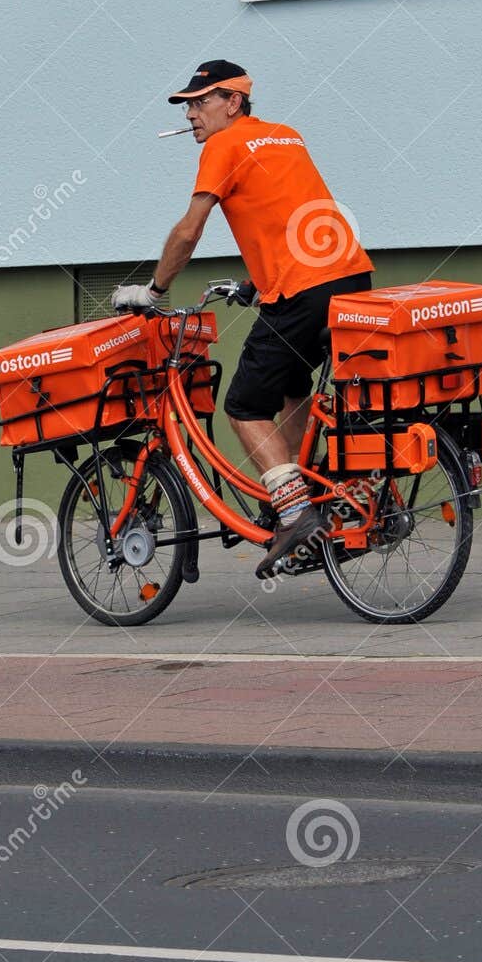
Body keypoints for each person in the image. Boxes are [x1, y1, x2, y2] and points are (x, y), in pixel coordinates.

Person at [112, 60, 374, 578]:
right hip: (349, 278)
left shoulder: (224, 146)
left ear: (234, 101)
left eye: (201, 101)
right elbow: (286, 211)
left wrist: (154, 289)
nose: (192, 113)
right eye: (188, 104)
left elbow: (190, 230)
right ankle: (308, 489)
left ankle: (296, 512)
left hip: (302, 292)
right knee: (292, 387)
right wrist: (257, 282)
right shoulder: (285, 136)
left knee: (243, 404)